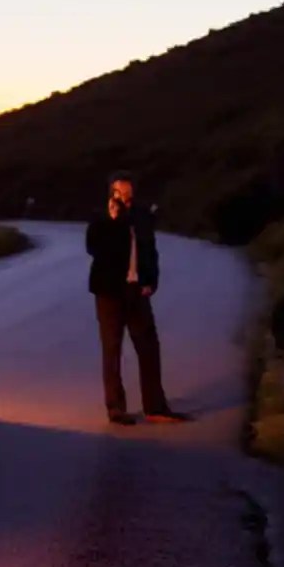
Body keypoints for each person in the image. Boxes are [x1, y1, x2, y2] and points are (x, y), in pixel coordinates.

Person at [85, 171, 187, 425]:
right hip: (109, 293)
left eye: (128, 192)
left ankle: (155, 407)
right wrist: (113, 221)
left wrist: (151, 281)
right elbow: (94, 248)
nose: (125, 197)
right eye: (119, 192)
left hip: (137, 290)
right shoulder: (100, 218)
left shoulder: (141, 216)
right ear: (111, 193)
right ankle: (115, 408)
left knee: (149, 347)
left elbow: (150, 250)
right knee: (112, 349)